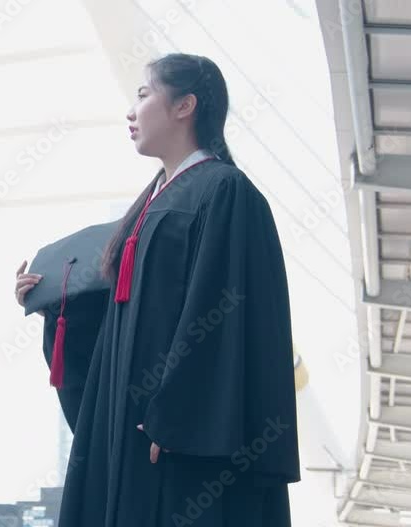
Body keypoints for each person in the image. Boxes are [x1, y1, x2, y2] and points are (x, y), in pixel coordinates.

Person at [15, 53, 300, 526]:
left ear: (184, 106)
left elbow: (221, 316)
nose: (131, 111)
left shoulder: (223, 191)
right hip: (135, 427)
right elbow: (126, 316)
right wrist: (56, 302)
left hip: (178, 438)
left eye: (144, 95)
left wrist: (179, 416)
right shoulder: (150, 205)